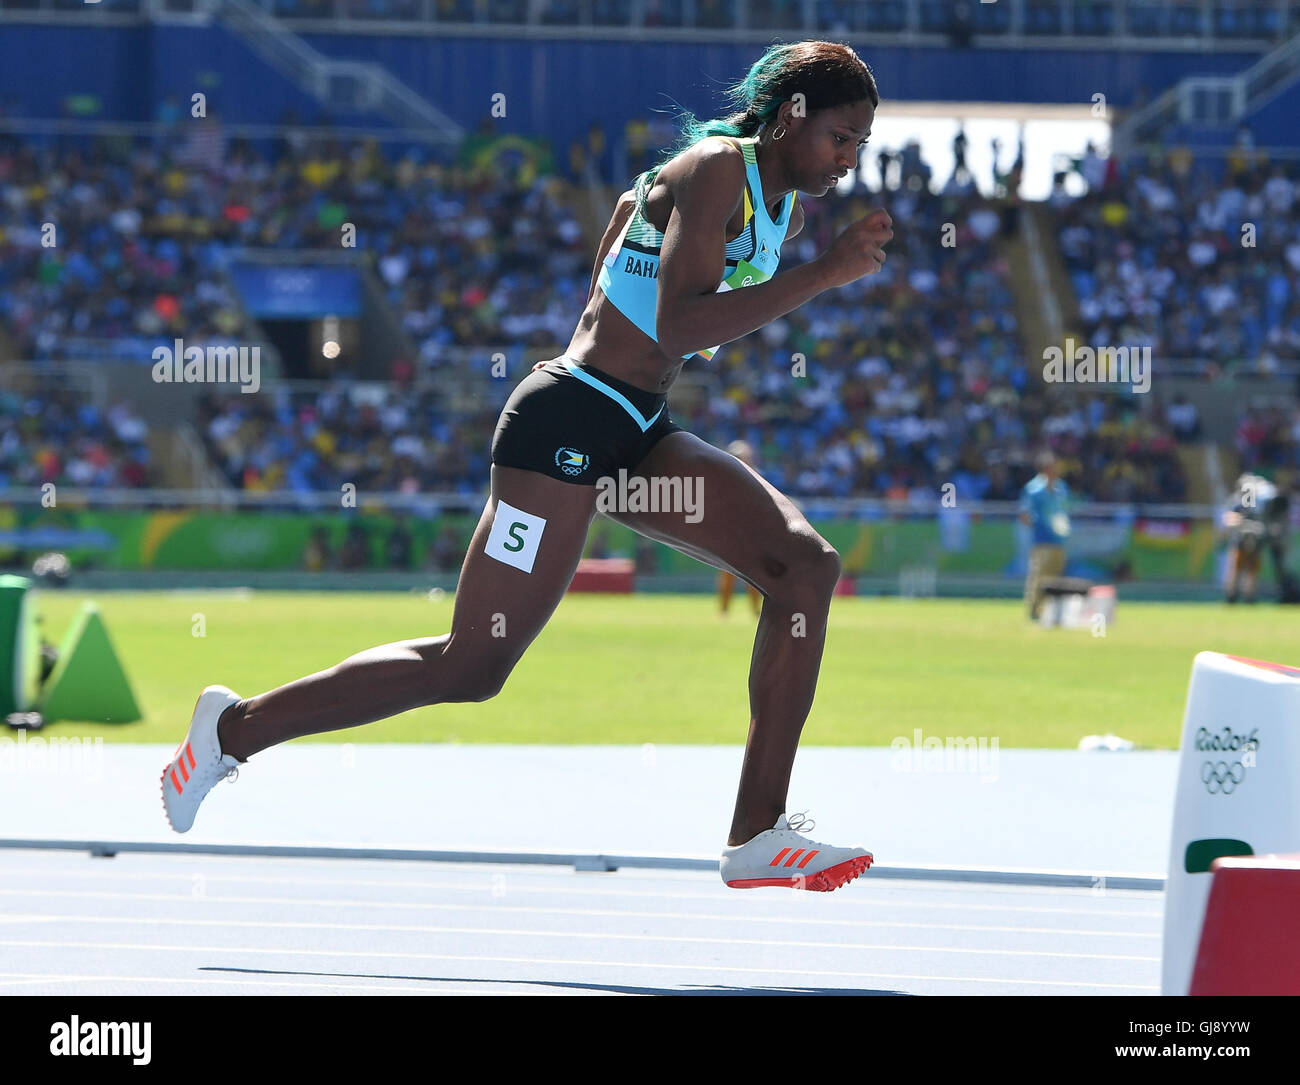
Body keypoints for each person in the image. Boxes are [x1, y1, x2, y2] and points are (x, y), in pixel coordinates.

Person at [161, 40, 891, 894]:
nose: (849, 161)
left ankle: (756, 832)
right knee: (471, 667)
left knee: (804, 567)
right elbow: (682, 325)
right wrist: (827, 275)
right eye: (842, 137)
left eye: (861, 146)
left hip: (638, 431)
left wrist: (637, 264)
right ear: (792, 114)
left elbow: (626, 228)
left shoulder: (780, 210)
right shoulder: (717, 169)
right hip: (565, 424)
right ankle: (230, 730)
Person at [1019, 451, 1070, 619]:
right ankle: (1034, 611)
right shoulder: (1033, 489)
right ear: (1045, 469)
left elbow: (1064, 510)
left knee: (1056, 577)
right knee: (1039, 577)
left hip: (1059, 541)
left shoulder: (1061, 487)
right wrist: (1039, 524)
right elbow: (1024, 514)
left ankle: (1052, 612)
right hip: (1041, 540)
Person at [717, 440, 763, 616]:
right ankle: (724, 609)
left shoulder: (756, 477)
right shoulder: (724, 477)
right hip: (730, 532)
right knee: (727, 574)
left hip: (751, 532)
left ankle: (755, 609)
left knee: (754, 576)